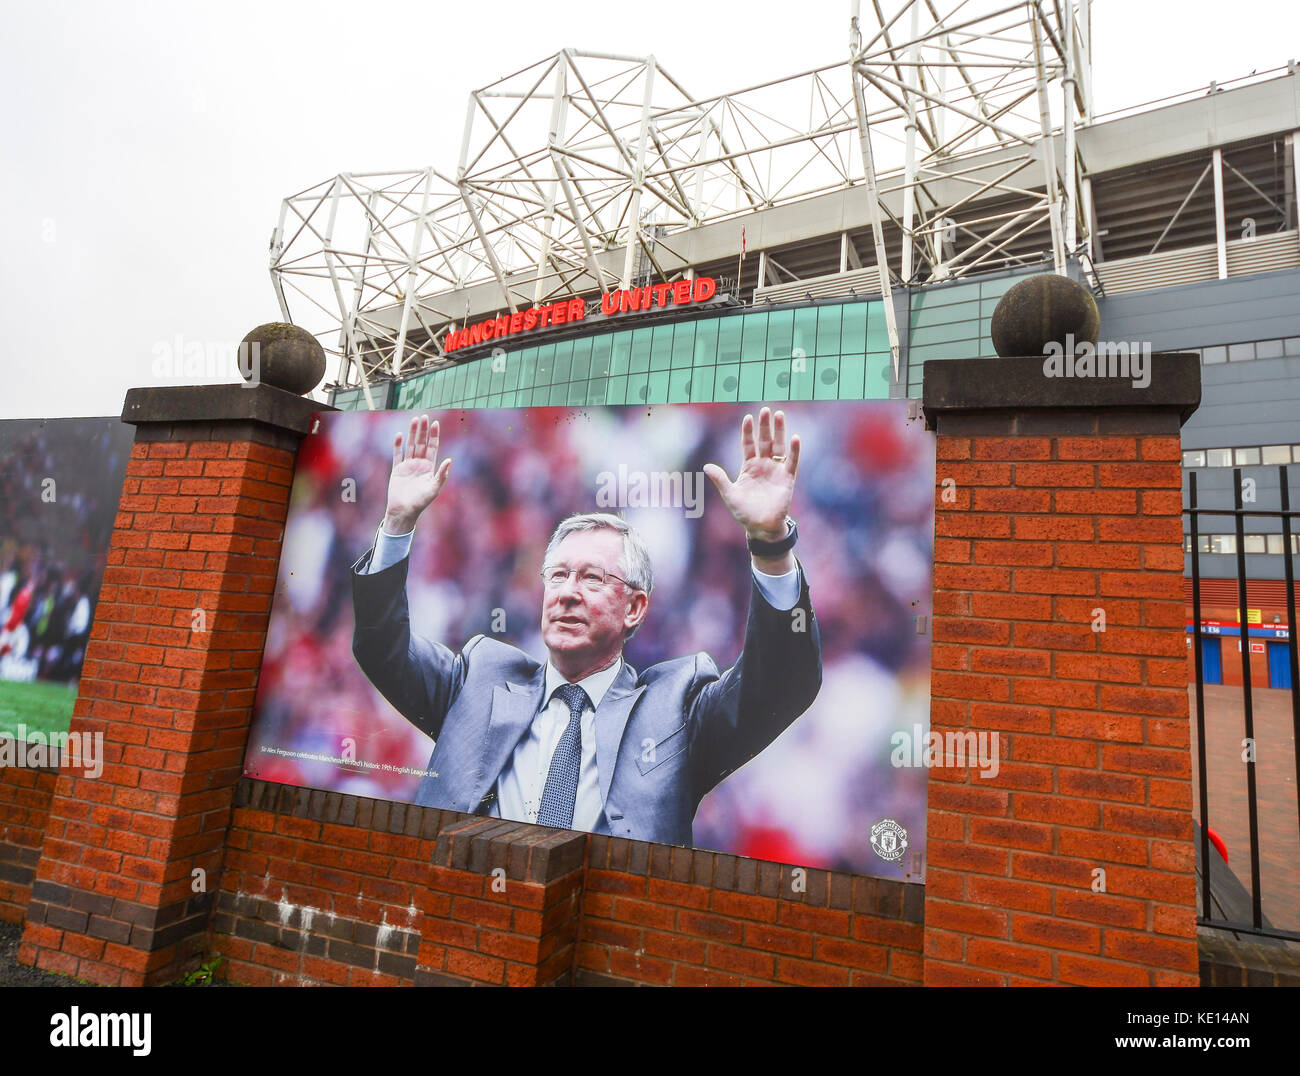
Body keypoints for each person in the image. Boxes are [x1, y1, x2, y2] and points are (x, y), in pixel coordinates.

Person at [350, 407, 822, 846]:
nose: (567, 592)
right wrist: (396, 525)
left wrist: (770, 545)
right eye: (557, 576)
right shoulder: (478, 679)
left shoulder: (675, 711)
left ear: (635, 608)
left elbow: (779, 687)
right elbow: (381, 645)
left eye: (592, 578)